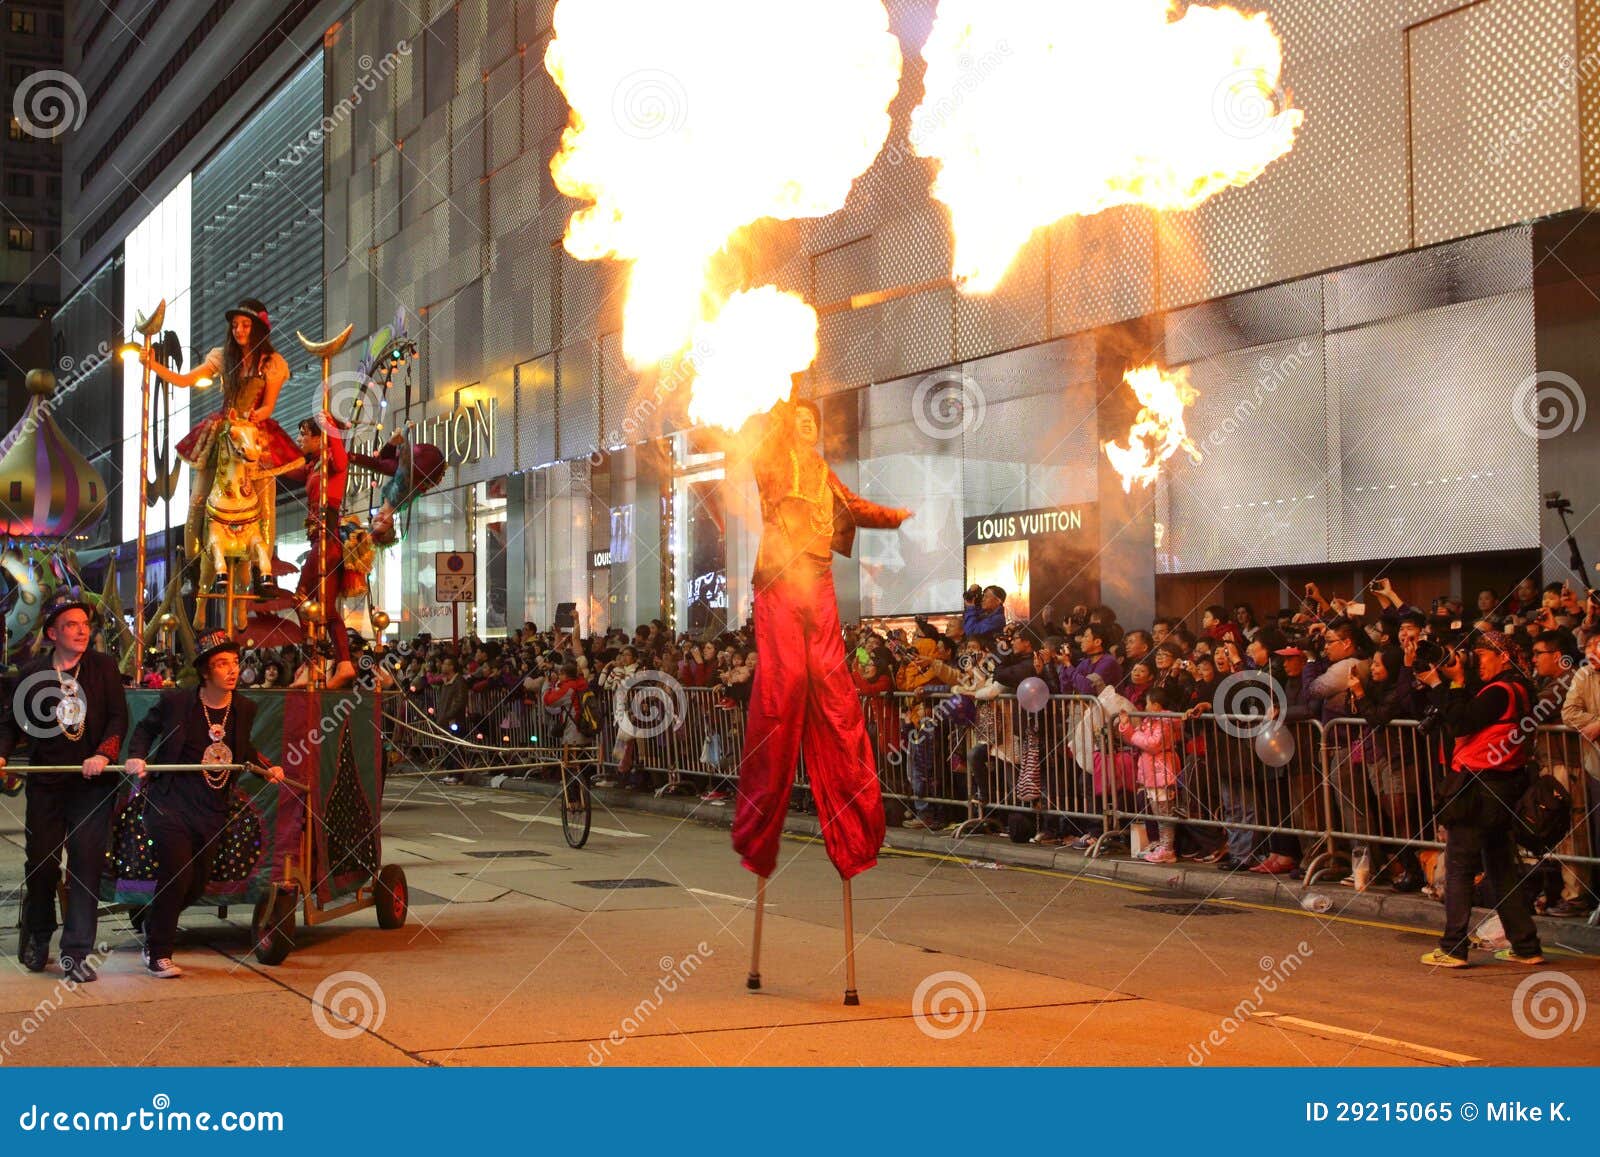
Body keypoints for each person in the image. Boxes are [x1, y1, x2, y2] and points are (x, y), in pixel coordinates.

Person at [728, 398, 911, 881]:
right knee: (785, 686)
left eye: (814, 419)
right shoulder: (771, 457)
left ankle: (854, 828)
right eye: (800, 418)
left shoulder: (820, 467)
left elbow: (852, 507)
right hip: (780, 579)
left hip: (818, 579)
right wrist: (780, 386)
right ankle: (759, 823)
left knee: (834, 692)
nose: (808, 425)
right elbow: (759, 437)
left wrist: (895, 516)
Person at [125, 630, 284, 978]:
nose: (231, 669)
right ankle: (159, 952)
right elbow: (144, 730)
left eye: (235, 662)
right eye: (222, 663)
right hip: (170, 803)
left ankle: (155, 924)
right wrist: (137, 757)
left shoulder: (243, 708)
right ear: (205, 672)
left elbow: (242, 750)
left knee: (196, 883)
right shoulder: (177, 703)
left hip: (211, 809)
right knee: (177, 872)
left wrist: (266, 767)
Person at [0, 599, 128, 981]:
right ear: (52, 633)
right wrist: (2, 754)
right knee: (42, 864)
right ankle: (38, 933)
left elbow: (119, 716)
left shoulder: (104, 668)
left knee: (86, 866)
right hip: (48, 784)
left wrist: (104, 754)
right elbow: (11, 724)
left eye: (85, 623)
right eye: (71, 624)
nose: (82, 630)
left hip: (92, 785)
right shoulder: (31, 673)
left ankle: (76, 954)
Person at [142, 298, 299, 580]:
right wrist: (153, 366)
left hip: (255, 433)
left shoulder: (273, 363)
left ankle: (259, 569)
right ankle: (196, 555)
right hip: (224, 430)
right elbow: (185, 380)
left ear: (258, 328)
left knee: (264, 502)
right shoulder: (221, 356)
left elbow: (268, 406)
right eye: (235, 325)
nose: (239, 330)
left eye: (245, 325)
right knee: (199, 495)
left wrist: (253, 416)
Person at [1416, 630, 1544, 967]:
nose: (1477, 662)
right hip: (1501, 787)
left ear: (1503, 656)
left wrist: (1454, 681)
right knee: (1501, 870)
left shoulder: (1501, 691)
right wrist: (1444, 679)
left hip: (1479, 789)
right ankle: (1526, 947)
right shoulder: (1515, 689)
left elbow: (1460, 722)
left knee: (1459, 867)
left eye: (1482, 655)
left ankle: (1453, 947)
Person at [281, 416, 356, 688]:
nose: (300, 439)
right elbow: (289, 469)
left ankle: (314, 663)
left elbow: (343, 461)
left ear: (318, 437)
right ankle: (343, 664)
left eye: (304, 435)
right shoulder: (314, 466)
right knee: (326, 609)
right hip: (321, 542)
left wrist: (330, 427)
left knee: (301, 598)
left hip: (327, 541)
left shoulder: (333, 463)